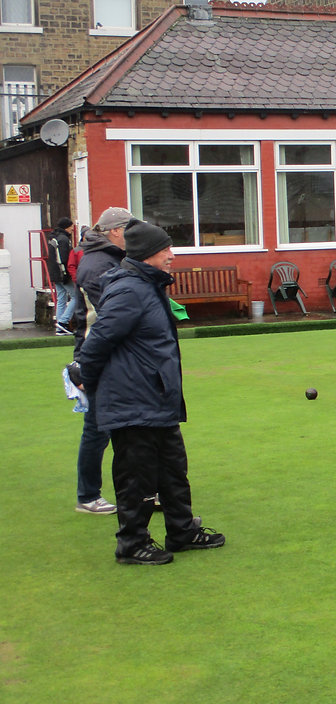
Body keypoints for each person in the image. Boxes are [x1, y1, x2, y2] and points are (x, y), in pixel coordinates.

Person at [77, 219, 224, 564]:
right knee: (136, 476)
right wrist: (87, 377)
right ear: (147, 255)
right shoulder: (130, 289)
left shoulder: (147, 284)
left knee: (172, 468)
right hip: (133, 399)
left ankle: (182, 531)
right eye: (165, 249)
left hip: (156, 397)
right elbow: (99, 339)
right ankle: (132, 544)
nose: (172, 255)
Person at [68, 208, 134, 515]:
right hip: (96, 353)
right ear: (117, 231)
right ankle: (88, 495)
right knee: (97, 428)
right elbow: (109, 315)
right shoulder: (98, 264)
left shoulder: (110, 258)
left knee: (129, 424)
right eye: (130, 229)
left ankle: (140, 489)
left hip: (108, 351)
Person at [47, 217, 76, 336]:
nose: (72, 229)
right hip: (62, 273)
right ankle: (63, 322)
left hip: (54, 272)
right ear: (66, 227)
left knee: (61, 298)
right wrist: (68, 273)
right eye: (71, 227)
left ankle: (59, 326)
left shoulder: (53, 238)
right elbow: (64, 258)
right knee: (76, 297)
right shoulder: (64, 239)